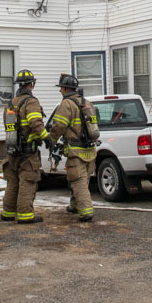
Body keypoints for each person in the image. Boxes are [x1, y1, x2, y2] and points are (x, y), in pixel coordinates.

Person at [48, 74, 98, 222]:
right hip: (90, 149)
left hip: (76, 150)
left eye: (61, 88)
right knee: (83, 178)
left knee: (77, 180)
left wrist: (51, 139)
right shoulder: (87, 103)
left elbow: (59, 125)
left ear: (65, 88)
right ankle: (74, 205)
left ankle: (86, 210)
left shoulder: (66, 104)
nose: (60, 91)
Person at [1, 69, 48, 224]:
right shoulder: (31, 102)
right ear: (31, 85)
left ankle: (8, 212)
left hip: (12, 150)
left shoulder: (10, 103)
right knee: (27, 181)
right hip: (28, 151)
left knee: (12, 182)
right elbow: (35, 122)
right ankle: (25, 214)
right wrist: (46, 137)